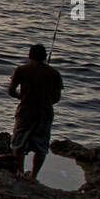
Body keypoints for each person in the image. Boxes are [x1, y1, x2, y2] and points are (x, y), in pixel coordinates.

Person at [8, 43, 63, 180]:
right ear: (45, 57)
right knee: (41, 146)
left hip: (25, 110)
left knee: (19, 144)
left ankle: (19, 172)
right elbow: (56, 98)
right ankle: (34, 176)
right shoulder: (54, 73)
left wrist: (21, 97)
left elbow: (11, 91)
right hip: (45, 113)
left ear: (29, 55)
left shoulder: (21, 70)